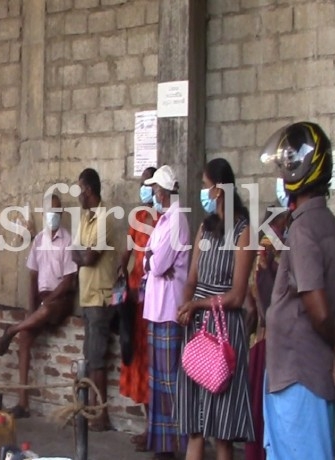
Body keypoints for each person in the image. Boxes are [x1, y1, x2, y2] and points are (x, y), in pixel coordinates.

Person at [260, 122, 335, 460]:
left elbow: (318, 309)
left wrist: (334, 345)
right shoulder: (328, 224)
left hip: (298, 376)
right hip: (306, 374)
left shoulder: (302, 231)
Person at [175, 158, 254, 460]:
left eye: (207, 186)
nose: (204, 192)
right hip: (197, 330)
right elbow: (192, 278)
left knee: (222, 430)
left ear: (220, 190)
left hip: (224, 333)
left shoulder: (244, 231)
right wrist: (186, 305)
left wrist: (198, 304)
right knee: (195, 426)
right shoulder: (205, 229)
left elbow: (236, 295)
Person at [0, 194, 77, 419]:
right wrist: (31, 308)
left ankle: (11, 330)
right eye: (50, 211)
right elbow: (32, 276)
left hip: (60, 300)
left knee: (46, 310)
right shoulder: (39, 240)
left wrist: (48, 301)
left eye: (57, 212)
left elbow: (69, 280)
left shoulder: (68, 240)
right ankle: (23, 403)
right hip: (42, 300)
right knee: (25, 340)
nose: (53, 216)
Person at [141, 165, 189, 457]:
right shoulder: (164, 221)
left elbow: (157, 264)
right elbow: (152, 260)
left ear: (163, 191)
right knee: (158, 379)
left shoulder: (177, 222)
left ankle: (177, 442)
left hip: (170, 309)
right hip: (157, 308)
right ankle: (163, 443)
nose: (154, 194)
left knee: (171, 380)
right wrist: (152, 262)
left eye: (156, 190)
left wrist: (152, 262)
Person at [72, 168, 119, 431]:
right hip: (87, 297)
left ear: (88, 190)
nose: (78, 194)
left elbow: (88, 258)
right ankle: (90, 408)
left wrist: (81, 255)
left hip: (100, 298)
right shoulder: (86, 218)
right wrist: (81, 255)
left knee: (98, 359)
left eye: (79, 188)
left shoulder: (104, 219)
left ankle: (101, 415)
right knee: (89, 357)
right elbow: (75, 253)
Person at [243, 203, 288, 460]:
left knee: (260, 399)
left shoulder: (265, 242)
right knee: (265, 400)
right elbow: (263, 289)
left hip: (260, 334)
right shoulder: (272, 244)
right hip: (269, 333)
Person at [118, 166, 158, 447]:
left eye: (148, 184)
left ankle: (156, 430)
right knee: (138, 362)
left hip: (153, 301)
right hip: (134, 299)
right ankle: (149, 428)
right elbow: (128, 252)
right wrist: (120, 276)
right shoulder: (138, 218)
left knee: (155, 366)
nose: (143, 189)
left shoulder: (164, 220)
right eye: (142, 184)